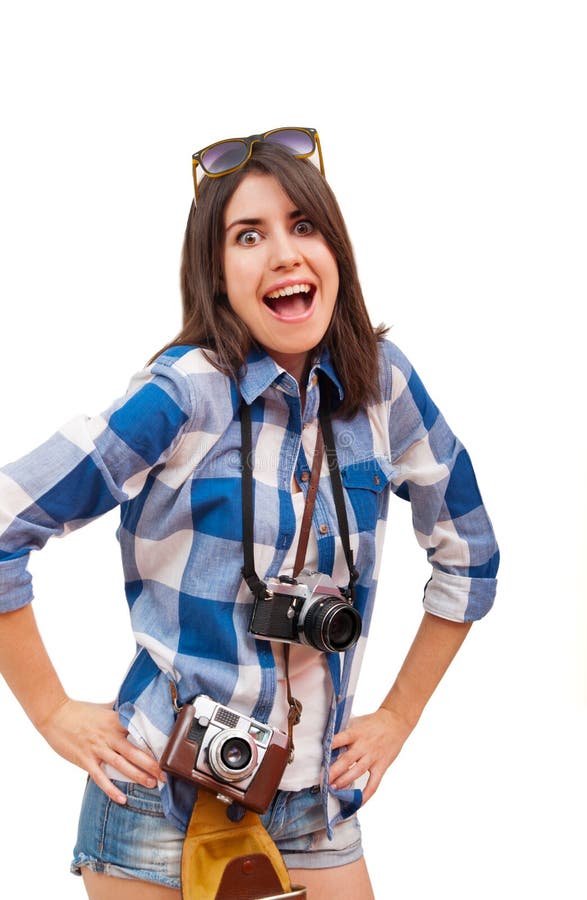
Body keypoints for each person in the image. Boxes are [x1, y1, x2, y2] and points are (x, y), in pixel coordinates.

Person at [0, 128, 499, 899]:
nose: (284, 255)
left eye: (304, 226)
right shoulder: (180, 394)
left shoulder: (383, 386)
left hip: (313, 801)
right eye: (248, 235)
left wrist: (399, 716)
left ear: (336, 249)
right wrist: (49, 711)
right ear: (215, 271)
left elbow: (470, 551)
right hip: (158, 795)